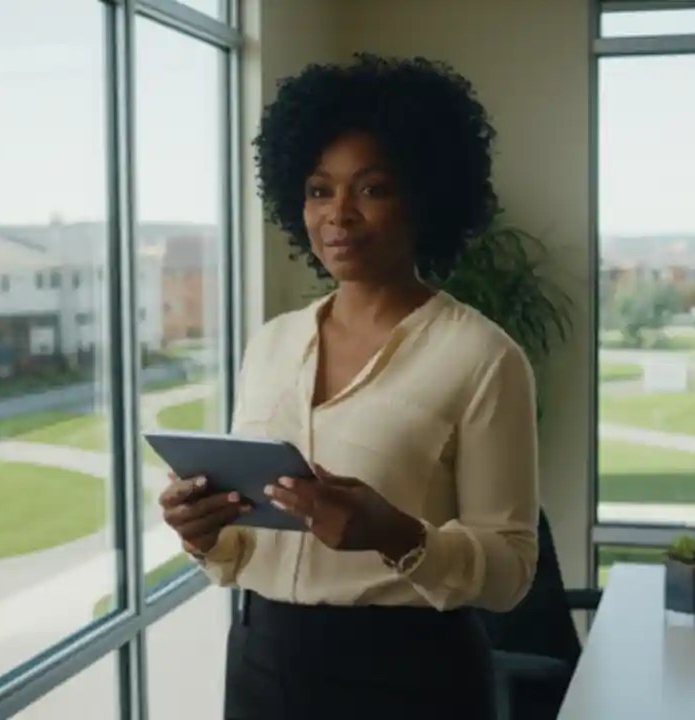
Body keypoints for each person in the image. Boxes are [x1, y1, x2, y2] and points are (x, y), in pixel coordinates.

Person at [159, 53, 539, 720]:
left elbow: (510, 573)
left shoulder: (482, 359)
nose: (338, 215)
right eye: (317, 189)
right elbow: (248, 545)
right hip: (261, 660)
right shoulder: (271, 344)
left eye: (371, 189)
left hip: (408, 678)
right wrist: (202, 533)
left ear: (424, 196)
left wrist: (396, 534)